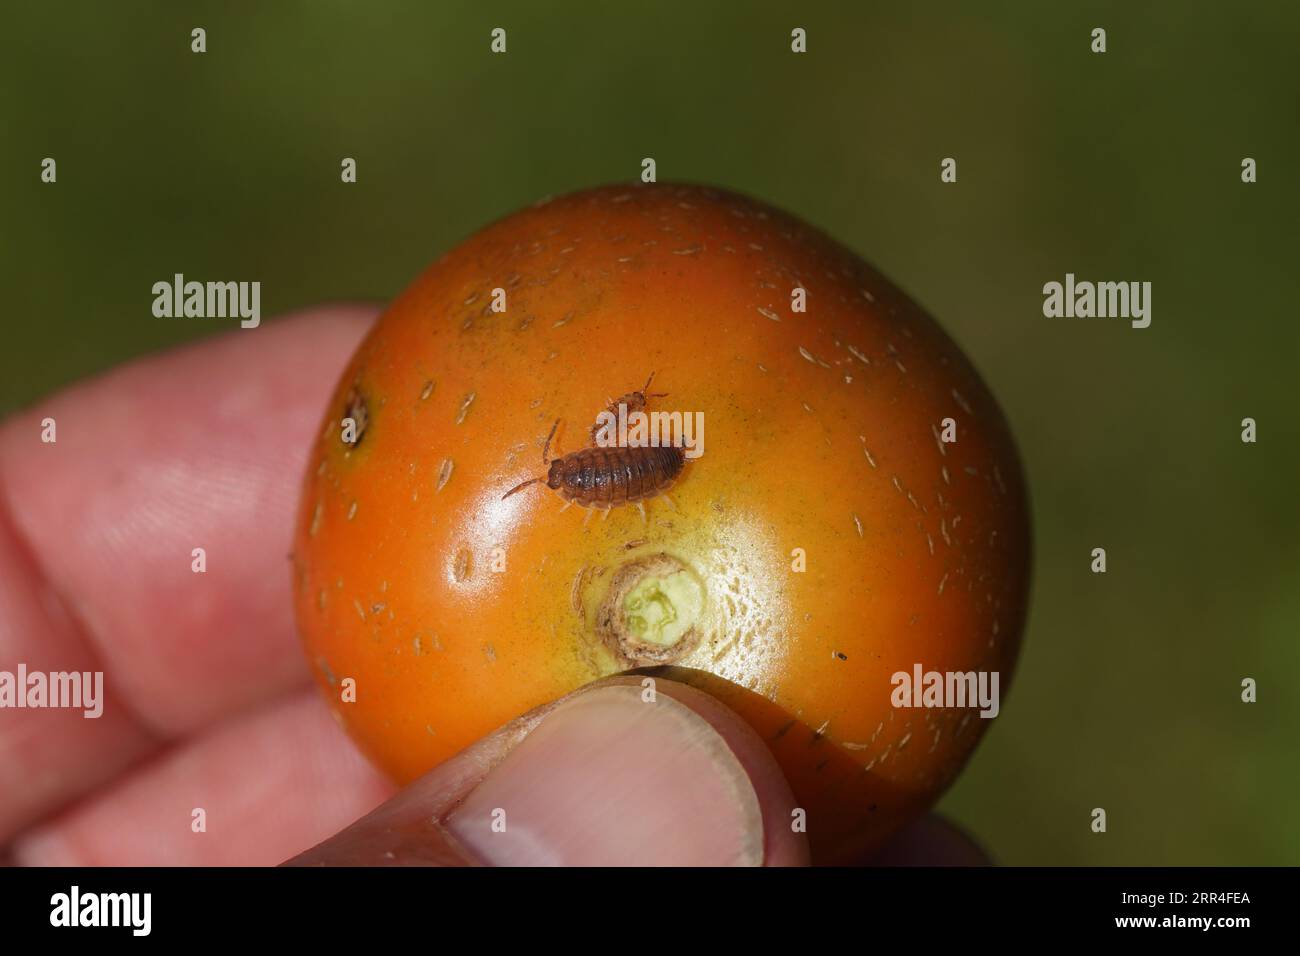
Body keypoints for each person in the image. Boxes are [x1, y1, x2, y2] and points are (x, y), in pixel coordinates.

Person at [0, 305, 987, 866]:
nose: (567, 477)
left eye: (563, 473)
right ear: (577, 476)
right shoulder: (595, 474)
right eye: (563, 476)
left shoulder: (598, 471)